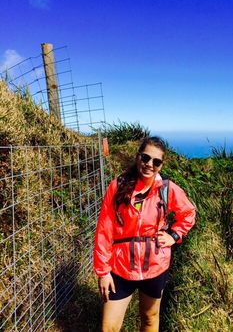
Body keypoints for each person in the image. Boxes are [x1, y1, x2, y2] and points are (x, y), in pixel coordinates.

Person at [93, 136, 196, 332]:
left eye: (156, 162)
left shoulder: (166, 189)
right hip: (120, 268)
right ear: (138, 156)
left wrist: (173, 236)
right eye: (145, 158)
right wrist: (103, 272)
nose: (149, 164)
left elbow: (189, 213)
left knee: (149, 319)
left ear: (161, 164)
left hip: (155, 267)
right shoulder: (117, 186)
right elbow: (104, 230)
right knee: (109, 327)